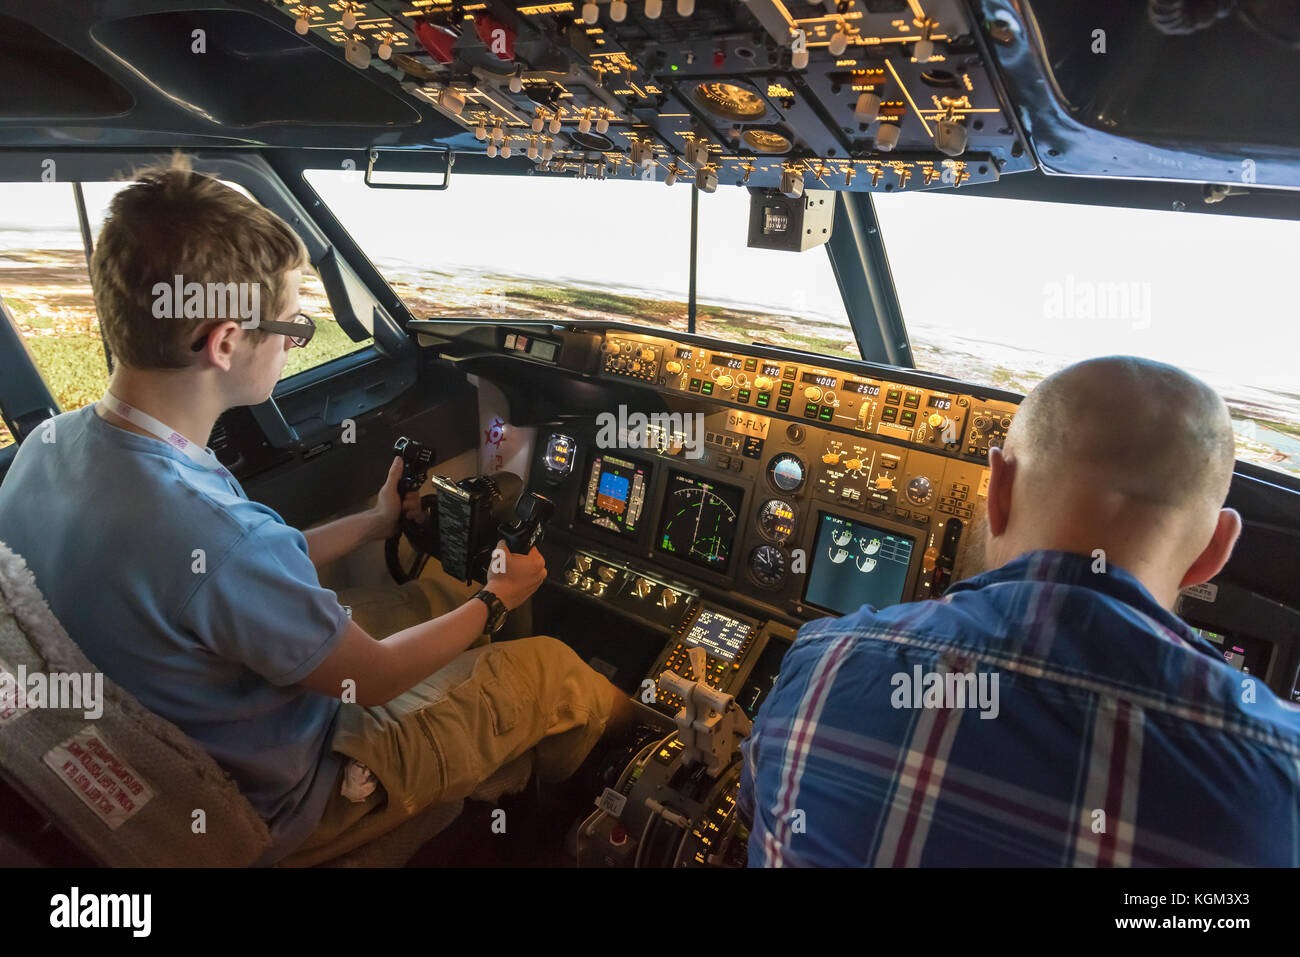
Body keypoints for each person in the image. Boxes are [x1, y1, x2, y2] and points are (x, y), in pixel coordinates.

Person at [0, 155, 633, 866]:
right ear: (226, 342)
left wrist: (371, 522)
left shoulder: (48, 452)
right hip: (295, 790)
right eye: (291, 324)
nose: (298, 334)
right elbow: (373, 678)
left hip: (199, 712)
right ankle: (648, 745)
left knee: (438, 592)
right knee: (548, 668)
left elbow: (223, 578)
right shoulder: (215, 535)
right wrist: (497, 600)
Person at [740, 356, 1300, 866]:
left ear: (998, 489)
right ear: (1215, 550)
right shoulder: (1282, 776)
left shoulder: (819, 666)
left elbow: (754, 808)